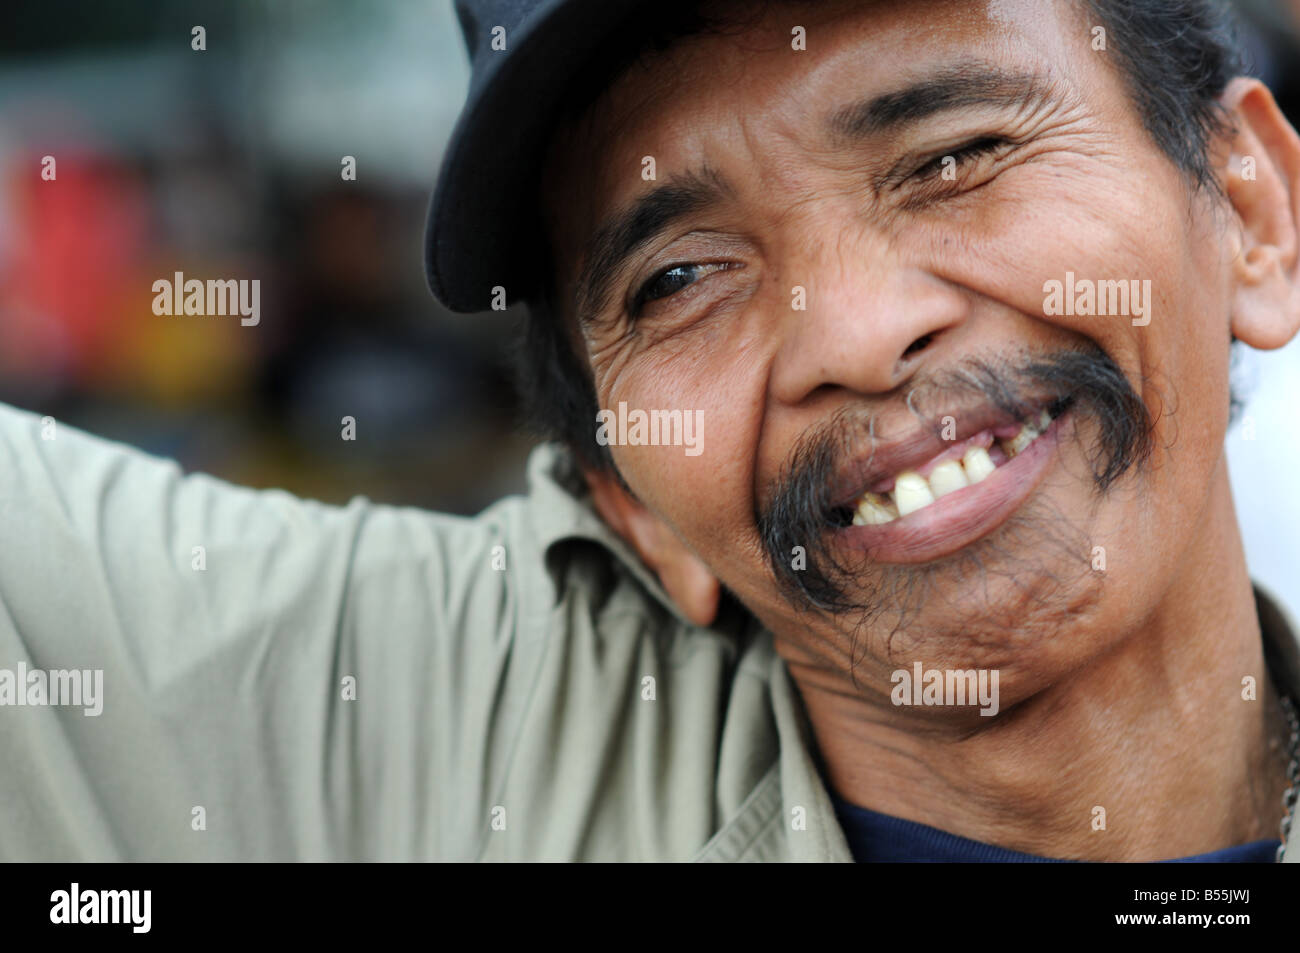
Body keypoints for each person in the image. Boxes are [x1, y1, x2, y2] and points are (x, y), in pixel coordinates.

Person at [3, 0, 1298, 862]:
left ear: (1252, 212)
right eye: (680, 278)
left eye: (953, 155)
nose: (854, 328)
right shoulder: (451, 738)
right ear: (623, 501)